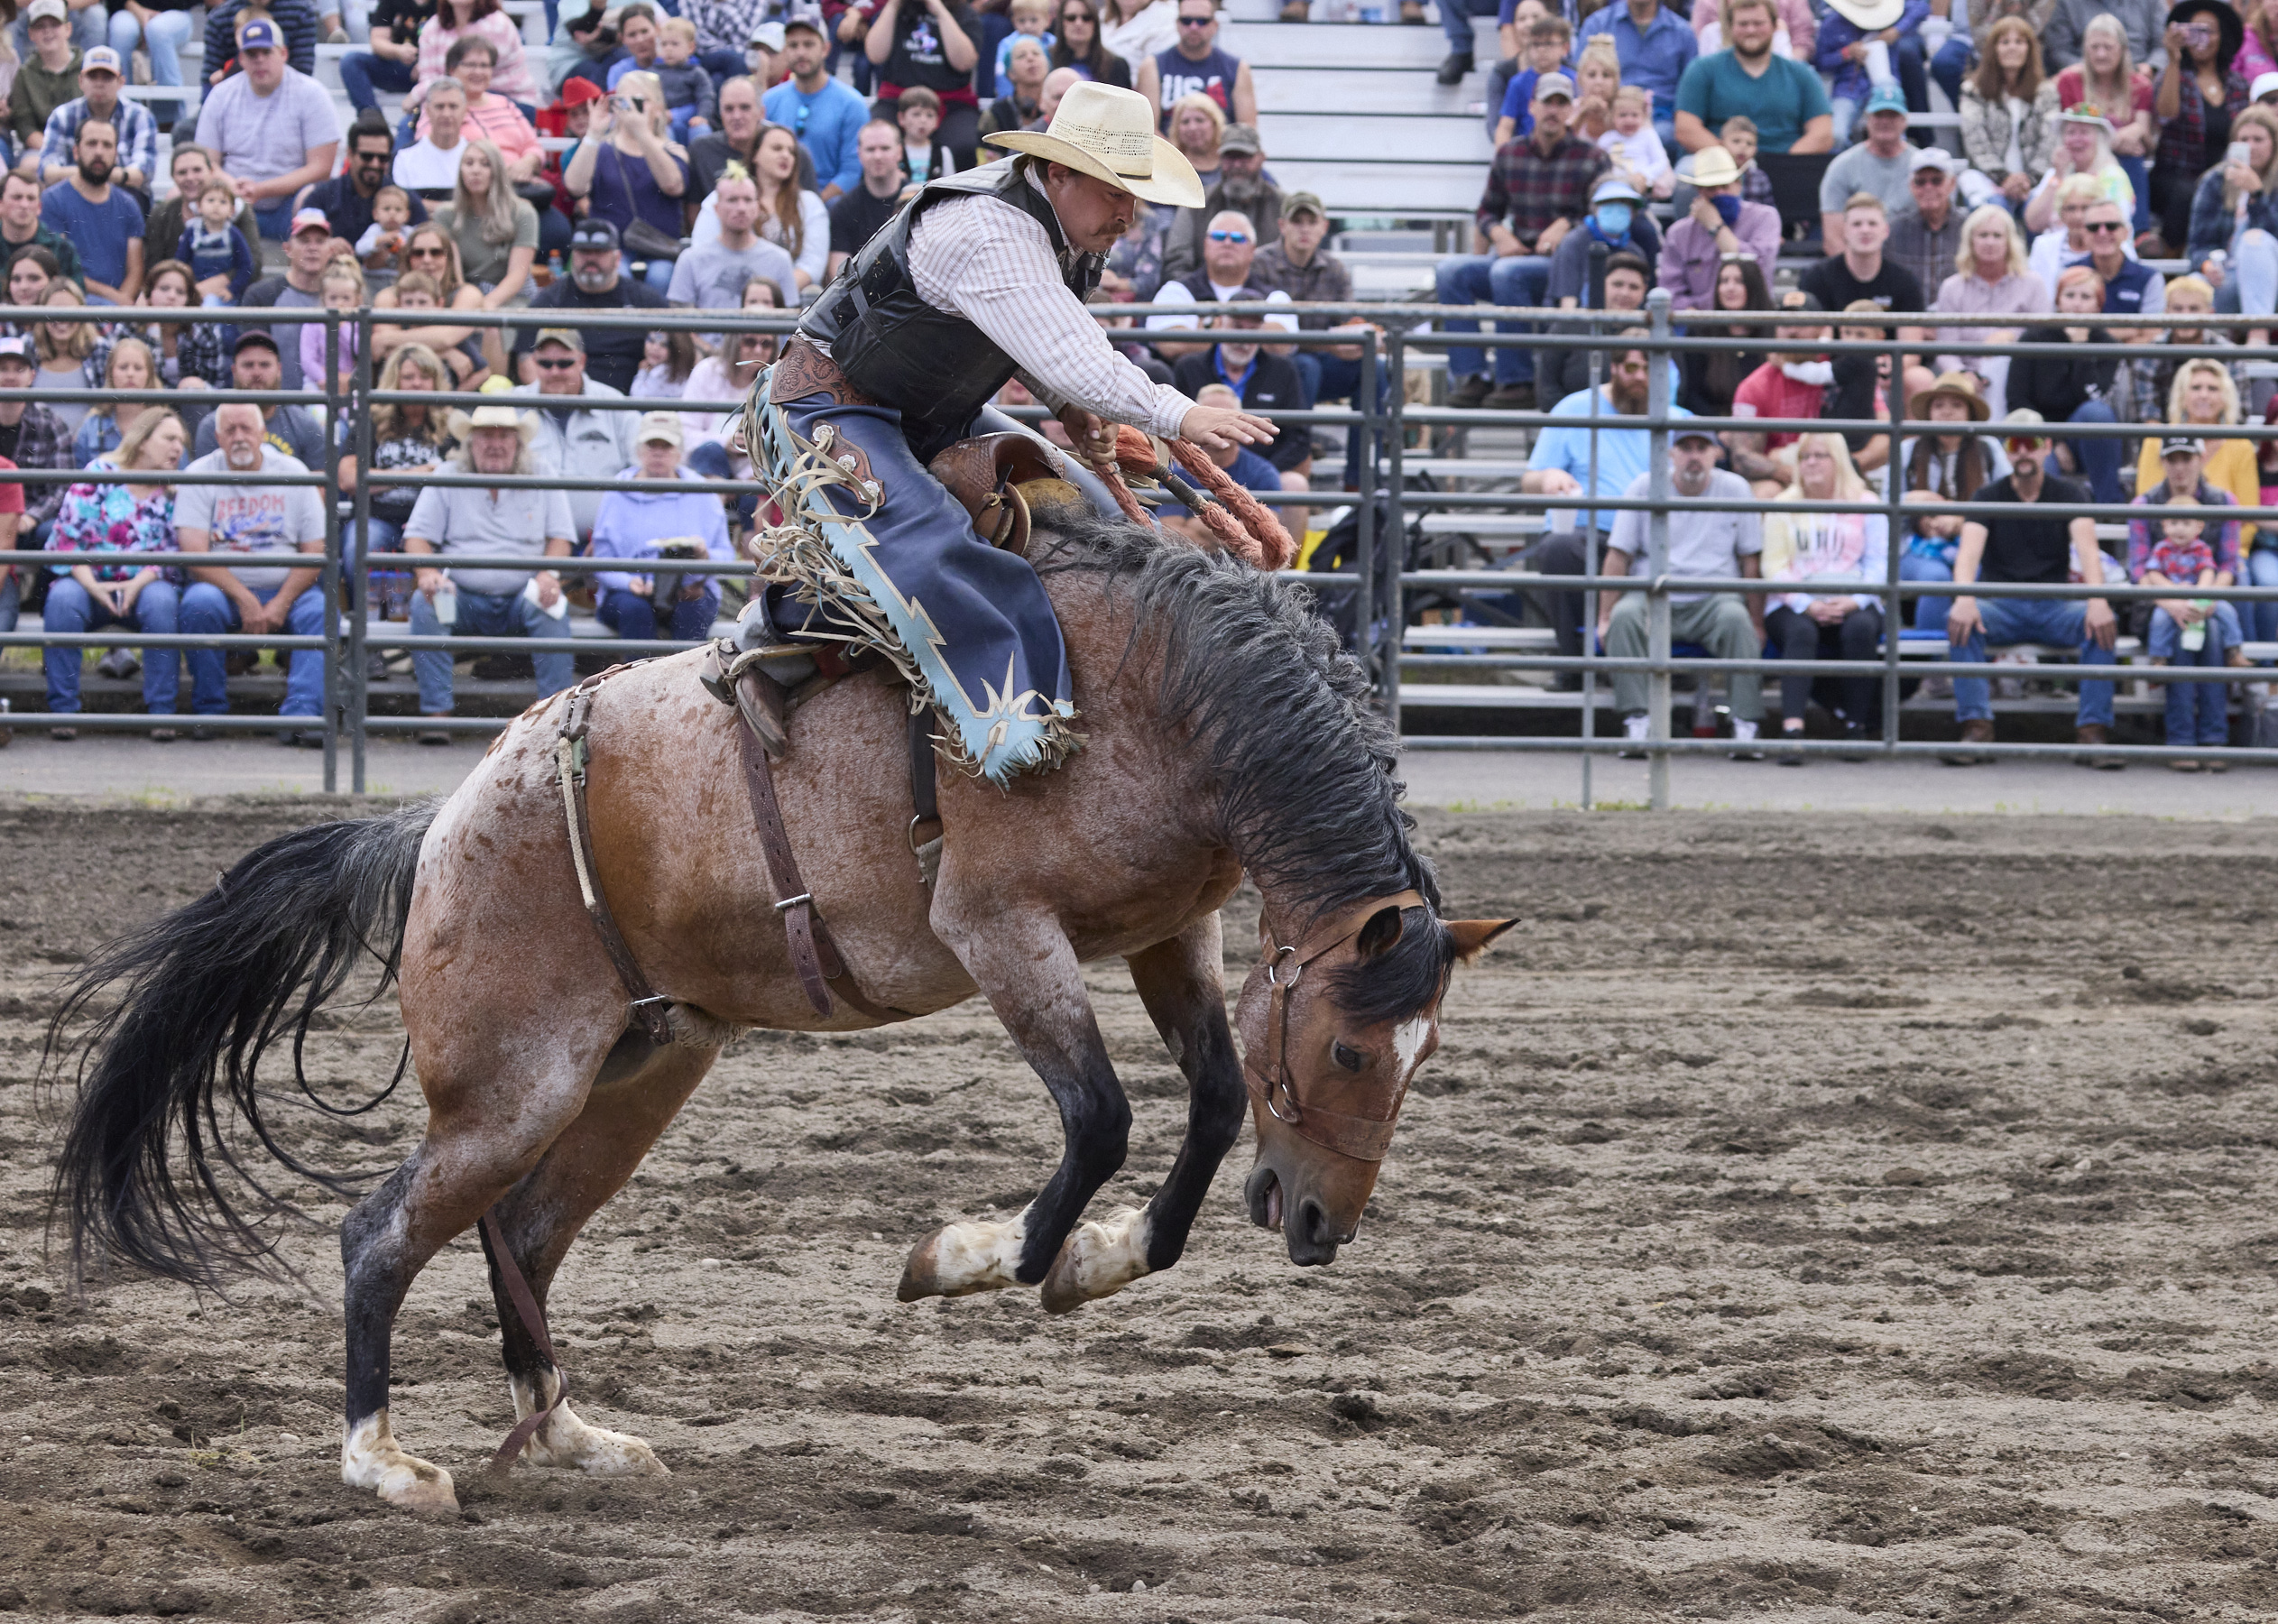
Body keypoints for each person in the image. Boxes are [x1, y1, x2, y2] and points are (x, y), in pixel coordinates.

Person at [761, 78, 1273, 780]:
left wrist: (1066, 407)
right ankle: (1009, 740)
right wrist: (1180, 413)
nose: (1129, 214)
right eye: (1116, 191)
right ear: (1058, 172)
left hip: (932, 408)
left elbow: (1026, 335)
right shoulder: (988, 229)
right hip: (831, 406)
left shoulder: (1056, 221)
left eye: (1134, 194)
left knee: (1091, 514)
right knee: (941, 552)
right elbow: (1071, 353)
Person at [1941, 406, 2123, 767]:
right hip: (2001, 603)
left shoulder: (2070, 494)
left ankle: (2092, 732)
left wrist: (2098, 599)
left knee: (2102, 624)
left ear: (2047, 446)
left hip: (2055, 603)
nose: (2022, 451)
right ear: (2006, 450)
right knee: (1960, 621)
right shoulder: (1987, 496)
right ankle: (1976, 728)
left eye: (2031, 442)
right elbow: (1968, 553)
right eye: (2014, 443)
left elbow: (2088, 551)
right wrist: (1964, 596)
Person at [1510, 336, 1691, 667]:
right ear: (1614, 367)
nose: (1640, 377)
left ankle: (1670, 664)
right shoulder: (1574, 408)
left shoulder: (1681, 422)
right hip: (1591, 532)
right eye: (1632, 367)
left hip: (1655, 539)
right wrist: (1549, 476)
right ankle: (1576, 662)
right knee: (1558, 549)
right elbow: (1529, 481)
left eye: (1650, 369)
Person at [402, 401, 575, 737]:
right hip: (461, 595)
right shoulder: (448, 475)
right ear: (470, 443)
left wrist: (547, 575)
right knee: (426, 604)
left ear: (518, 443)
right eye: (485, 436)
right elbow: (418, 537)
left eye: (504, 436)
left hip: (523, 594)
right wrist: (427, 574)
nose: (495, 444)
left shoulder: (542, 473)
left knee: (552, 607)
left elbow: (561, 539)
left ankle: (557, 724)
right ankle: (436, 717)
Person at [1593, 421, 1766, 754]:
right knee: (1624, 616)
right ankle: (1638, 721)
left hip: (1715, 598)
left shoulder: (1736, 489)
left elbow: (1750, 561)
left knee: (1737, 620)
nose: (1694, 457)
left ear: (1716, 453)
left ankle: (1746, 724)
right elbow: (1618, 554)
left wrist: (1756, 621)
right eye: (1686, 448)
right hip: (1654, 593)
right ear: (1671, 453)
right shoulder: (1643, 486)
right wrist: (1605, 615)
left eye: (1702, 448)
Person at [1436, 74, 1604, 412]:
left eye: (1561, 103)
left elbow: (1607, 216)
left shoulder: (1592, 157)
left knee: (1505, 273)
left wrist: (1568, 227)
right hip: (1516, 252)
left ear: (1572, 109)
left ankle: (1518, 381)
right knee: (1450, 271)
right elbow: (1486, 211)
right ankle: (1471, 375)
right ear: (1532, 107)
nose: (1553, 111)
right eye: (1547, 103)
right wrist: (1499, 233)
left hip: (1565, 267)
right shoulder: (1509, 154)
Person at [176, 401, 329, 744]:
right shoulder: (199, 474)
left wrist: (281, 602)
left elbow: (315, 552)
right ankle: (209, 712)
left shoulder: (294, 472)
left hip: (288, 589)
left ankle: (303, 717)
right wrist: (244, 597)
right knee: (197, 604)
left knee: (320, 612)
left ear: (263, 433)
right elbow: (194, 554)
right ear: (217, 436)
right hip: (223, 591)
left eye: (246, 428)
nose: (239, 437)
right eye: (230, 430)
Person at [40, 408, 188, 737]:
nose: (178, 447)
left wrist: (136, 584)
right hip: (88, 582)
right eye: (169, 438)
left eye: (181, 440)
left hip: (145, 585)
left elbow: (171, 553)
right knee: (62, 599)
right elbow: (66, 539)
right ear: (143, 440)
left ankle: (162, 713)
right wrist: (94, 586)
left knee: (163, 602)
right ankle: (63, 712)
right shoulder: (101, 472)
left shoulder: (175, 490)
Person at [1760, 431, 1888, 759]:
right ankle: (1793, 731)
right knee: (1800, 631)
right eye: (1805, 457)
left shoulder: (1866, 503)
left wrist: (1855, 600)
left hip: (1854, 595)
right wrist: (1808, 604)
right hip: (1793, 599)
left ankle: (1856, 728)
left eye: (1820, 455)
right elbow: (1773, 566)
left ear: (1839, 461)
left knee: (1860, 628)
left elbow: (1878, 564)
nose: (1812, 463)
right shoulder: (1782, 505)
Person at [2130, 448, 2245, 765]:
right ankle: (2185, 742)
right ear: (2163, 463)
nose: (2180, 467)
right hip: (2162, 605)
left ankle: (2211, 741)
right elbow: (2141, 572)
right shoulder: (2145, 504)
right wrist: (2173, 604)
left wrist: (2204, 600)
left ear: (2200, 459)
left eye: (2187, 458)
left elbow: (2228, 567)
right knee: (2184, 639)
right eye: (2172, 459)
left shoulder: (2223, 501)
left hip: (2208, 599)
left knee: (2211, 631)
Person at [588, 409, 734, 646]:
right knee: (635, 611)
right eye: (651, 445)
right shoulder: (617, 492)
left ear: (679, 452)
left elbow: (725, 556)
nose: (658, 453)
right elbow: (601, 560)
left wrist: (703, 558)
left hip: (690, 589)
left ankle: (688, 682)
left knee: (693, 612)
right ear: (638, 450)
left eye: (665, 446)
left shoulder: (702, 492)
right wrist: (628, 583)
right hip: (629, 592)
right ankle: (639, 681)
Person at [194, 16, 339, 240]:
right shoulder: (221, 95)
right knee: (182, 197)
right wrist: (233, 187)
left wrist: (262, 189)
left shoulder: (312, 94)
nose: (259, 60)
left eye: (266, 52)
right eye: (252, 54)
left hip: (290, 202)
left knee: (314, 197)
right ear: (241, 58)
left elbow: (321, 167)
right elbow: (205, 162)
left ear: (283, 54)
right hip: (231, 200)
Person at [1170, 295, 1310, 524]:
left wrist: (1260, 473)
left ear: (1262, 330)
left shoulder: (1283, 370)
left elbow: (1299, 438)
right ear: (1221, 323)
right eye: (1237, 326)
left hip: (1263, 469)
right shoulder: (1190, 366)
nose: (1243, 338)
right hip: (1198, 469)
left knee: (1295, 485)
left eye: (1252, 328)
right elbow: (1173, 425)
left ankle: (1284, 560)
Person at [341, 341, 454, 600]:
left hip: (435, 526)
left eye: (425, 377)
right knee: (359, 544)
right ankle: (364, 625)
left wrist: (382, 479)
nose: (416, 384)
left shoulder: (450, 425)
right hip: (381, 519)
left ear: (436, 382)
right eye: (408, 377)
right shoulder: (372, 420)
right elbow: (347, 478)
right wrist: (419, 474)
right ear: (395, 380)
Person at [1897, 370, 2008, 634]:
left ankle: (1979, 659)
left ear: (1970, 411)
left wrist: (1962, 522)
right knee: (1935, 578)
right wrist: (1914, 501)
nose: (1947, 412)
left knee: (1981, 574)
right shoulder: (1908, 450)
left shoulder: (1988, 449)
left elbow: (2008, 500)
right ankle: (1931, 665)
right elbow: (1882, 507)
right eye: (1939, 405)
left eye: (1956, 405)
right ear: (1929, 412)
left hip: (1980, 547)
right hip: (1916, 548)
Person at [2006, 263, 2126, 504]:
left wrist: (2080, 351)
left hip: (2089, 438)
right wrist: (2056, 441)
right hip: (2040, 432)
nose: (2077, 304)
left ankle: (2110, 512)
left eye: (2085, 297)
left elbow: (2096, 398)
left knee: (2096, 414)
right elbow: (2017, 400)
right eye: (2070, 295)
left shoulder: (2106, 344)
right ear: (2058, 301)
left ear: (2098, 305)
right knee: (2035, 449)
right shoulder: (2034, 338)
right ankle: (2044, 526)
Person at [564, 70, 691, 290]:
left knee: (660, 276)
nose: (630, 107)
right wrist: (594, 134)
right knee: (618, 274)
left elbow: (673, 185)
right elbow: (574, 186)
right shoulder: (601, 149)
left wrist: (642, 134)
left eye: (639, 101)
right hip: (608, 251)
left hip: (659, 250)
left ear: (658, 108)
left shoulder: (673, 150)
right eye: (623, 101)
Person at [512, 326, 637, 541]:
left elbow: (641, 471)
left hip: (604, 543)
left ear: (582, 361)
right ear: (533, 362)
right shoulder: (511, 405)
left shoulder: (614, 405)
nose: (554, 372)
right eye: (545, 363)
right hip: (528, 544)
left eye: (564, 363)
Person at [514, 219, 669, 391]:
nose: (590, 259)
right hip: (566, 402)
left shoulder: (645, 300)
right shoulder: (550, 300)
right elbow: (526, 360)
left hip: (632, 405)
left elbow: (680, 351)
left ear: (617, 258)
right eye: (583, 252)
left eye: (599, 252)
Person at [1930, 202, 2048, 420]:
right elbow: (1945, 350)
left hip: (2020, 377)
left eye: (1997, 235)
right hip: (1966, 378)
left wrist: (2011, 337)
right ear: (1970, 241)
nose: (1990, 242)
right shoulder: (1952, 287)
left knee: (1999, 363)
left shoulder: (2033, 284)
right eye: (1983, 235)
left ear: (2009, 241)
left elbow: (2044, 338)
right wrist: (1964, 376)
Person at [1673, 0, 1833, 154]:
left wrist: (1786, 165)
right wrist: (1731, 157)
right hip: (1717, 164)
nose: (1751, 30)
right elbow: (1687, 129)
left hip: (1785, 163)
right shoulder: (1702, 69)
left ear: (1775, 26)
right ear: (1730, 27)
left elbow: (1822, 134)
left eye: (1758, 23)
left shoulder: (1801, 74)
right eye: (1743, 24)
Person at [2151, 0, 2248, 253]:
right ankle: (2171, 262)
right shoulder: (2174, 76)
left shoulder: (2237, 84)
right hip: (2174, 176)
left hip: (2223, 175)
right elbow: (2165, 114)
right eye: (2194, 30)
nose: (2201, 38)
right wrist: (2173, 58)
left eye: (2209, 30)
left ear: (2221, 36)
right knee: (2187, 192)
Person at [1725, 290, 1832, 498]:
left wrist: (1841, 468)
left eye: (1801, 323)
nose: (1792, 331)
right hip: (1783, 479)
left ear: (1820, 329)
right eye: (1784, 323)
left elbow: (1882, 436)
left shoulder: (1839, 369)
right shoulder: (1755, 385)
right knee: (1766, 493)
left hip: (1837, 472)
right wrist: (1791, 473)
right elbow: (1741, 456)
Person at [2135, 355, 2259, 529]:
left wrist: (2225, 551)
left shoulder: (2241, 446)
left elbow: (2248, 517)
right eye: (2195, 388)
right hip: (2166, 550)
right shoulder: (2157, 440)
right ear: (2182, 396)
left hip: (2226, 551)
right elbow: (2147, 507)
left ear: (2225, 398)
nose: (2204, 395)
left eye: (2213, 389)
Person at [2187, 101, 2278, 333]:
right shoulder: (2214, 181)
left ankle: (2258, 335)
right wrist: (2207, 265)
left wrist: (2256, 195)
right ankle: (2203, 355)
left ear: (2274, 143)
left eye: (2258, 139)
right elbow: (2197, 245)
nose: (2250, 146)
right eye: (2244, 139)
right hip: (2226, 278)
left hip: (2271, 284)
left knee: (2254, 241)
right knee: (2195, 287)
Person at [2060, 13, 2161, 219]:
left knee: (2133, 156)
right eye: (2094, 47)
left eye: (2108, 47)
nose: (2101, 54)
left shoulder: (2140, 84)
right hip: (2081, 157)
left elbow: (2141, 130)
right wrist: (2115, 139)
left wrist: (2118, 137)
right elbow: (2070, 131)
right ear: (2085, 50)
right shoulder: (2070, 80)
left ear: (2123, 50)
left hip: (2125, 160)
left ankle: (2138, 232)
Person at [1159, 120, 1280, 288]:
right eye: (1230, 157)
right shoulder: (1197, 202)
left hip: (1266, 296)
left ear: (1261, 158)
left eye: (1244, 157)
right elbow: (1177, 261)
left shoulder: (1281, 206)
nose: (1237, 165)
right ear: (1220, 158)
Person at [865, 0, 983, 167]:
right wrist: (892, 5)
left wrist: (939, 11)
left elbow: (964, 62)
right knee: (877, 138)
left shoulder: (964, 12)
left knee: (963, 146)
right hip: (897, 101)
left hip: (952, 103)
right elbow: (875, 55)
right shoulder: (895, 9)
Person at [764, 9, 866, 203]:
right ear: (785, 51)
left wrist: (813, 206)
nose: (801, 52)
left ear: (826, 49)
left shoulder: (852, 104)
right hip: (777, 198)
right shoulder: (769, 101)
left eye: (809, 44)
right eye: (793, 45)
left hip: (828, 203)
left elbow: (851, 171)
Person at [1656, 144, 1776, 309]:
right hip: (1699, 322)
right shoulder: (1679, 233)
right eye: (1711, 188)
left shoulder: (1764, 217)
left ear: (1738, 185)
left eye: (1724, 185)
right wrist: (1696, 320)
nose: (1719, 193)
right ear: (1699, 191)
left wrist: (1716, 227)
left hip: (1752, 318)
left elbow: (1758, 270)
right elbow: (1670, 290)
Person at [414, 37, 543, 188]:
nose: (478, 72)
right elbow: (430, 152)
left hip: (520, 184)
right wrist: (499, 173)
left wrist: (526, 164)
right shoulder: (440, 108)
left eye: (484, 66)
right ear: (452, 70)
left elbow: (533, 145)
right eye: (471, 65)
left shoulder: (505, 103)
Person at [373, 227, 494, 385]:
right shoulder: (388, 296)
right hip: (400, 395)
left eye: (435, 252)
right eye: (418, 253)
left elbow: (446, 337)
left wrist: (389, 338)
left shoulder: (468, 294)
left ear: (448, 258)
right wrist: (447, 353)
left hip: (455, 396)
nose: (427, 260)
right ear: (408, 258)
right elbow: (384, 352)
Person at [669, 164, 798, 313]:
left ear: (757, 208)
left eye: (748, 200)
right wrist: (700, 338)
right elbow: (680, 322)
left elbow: (789, 321)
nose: (741, 208)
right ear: (716, 209)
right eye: (732, 200)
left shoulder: (780, 260)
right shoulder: (691, 260)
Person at [236, 208, 339, 392]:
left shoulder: (345, 297)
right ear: (288, 249)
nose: (312, 248)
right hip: (279, 404)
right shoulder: (261, 295)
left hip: (333, 403)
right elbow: (254, 361)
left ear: (331, 251)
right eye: (304, 240)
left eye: (320, 241)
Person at [1961, 17, 2061, 207]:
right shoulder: (1973, 91)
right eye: (2005, 42)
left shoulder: (2046, 92)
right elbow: (1976, 143)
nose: (2012, 48)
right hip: (1989, 179)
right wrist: (2003, 179)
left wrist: (2028, 180)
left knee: (2042, 204)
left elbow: (2049, 140)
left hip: (2033, 181)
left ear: (2030, 49)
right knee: (1991, 202)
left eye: (2019, 42)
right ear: (1993, 49)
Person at [298, 114, 429, 256]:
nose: (375, 164)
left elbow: (428, 243)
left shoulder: (406, 199)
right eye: (367, 156)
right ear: (350, 154)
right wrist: (325, 243)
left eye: (382, 158)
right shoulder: (322, 196)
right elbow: (300, 241)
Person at [39, 118, 139, 303]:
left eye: (107, 145)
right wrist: (113, 298)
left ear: (116, 155)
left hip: (119, 306)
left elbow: (135, 269)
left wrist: (122, 302)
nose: (99, 152)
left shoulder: (128, 204)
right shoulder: (52, 200)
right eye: (92, 143)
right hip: (72, 301)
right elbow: (59, 267)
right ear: (76, 152)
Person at [429, 139, 537, 306]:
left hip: (511, 297)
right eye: (469, 163)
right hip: (465, 295)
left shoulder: (523, 213)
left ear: (498, 171)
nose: (475, 171)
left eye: (485, 164)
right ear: (460, 171)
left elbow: (517, 276)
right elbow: (455, 277)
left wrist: (484, 309)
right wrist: (470, 305)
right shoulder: (445, 215)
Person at [38, 45, 154, 198]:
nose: (99, 83)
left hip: (124, 197)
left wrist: (83, 173)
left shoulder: (140, 116)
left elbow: (140, 175)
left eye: (107, 77)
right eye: (93, 76)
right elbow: (47, 172)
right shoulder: (62, 116)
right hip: (74, 195)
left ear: (121, 82)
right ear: (80, 81)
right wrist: (110, 174)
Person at [1577, 0, 1698, 144]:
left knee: (1656, 137)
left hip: (1661, 119)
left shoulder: (1682, 32)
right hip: (1609, 114)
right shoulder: (1598, 24)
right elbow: (1580, 74)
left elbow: (1692, 90)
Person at [740, 122, 829, 296]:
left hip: (790, 301)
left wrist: (773, 297)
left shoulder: (810, 204)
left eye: (791, 152)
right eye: (777, 148)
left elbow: (813, 264)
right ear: (755, 155)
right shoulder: (728, 197)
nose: (786, 155)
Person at [1678, 254, 1772, 418]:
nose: (1729, 288)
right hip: (1713, 429)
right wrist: (1719, 428)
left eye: (1739, 281)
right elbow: (1691, 395)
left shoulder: (1773, 332)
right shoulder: (1700, 332)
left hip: (1766, 425)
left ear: (1754, 287)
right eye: (1724, 281)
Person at [1803, 192, 1925, 316]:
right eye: (1857, 224)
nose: (1865, 230)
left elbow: (1911, 335)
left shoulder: (1905, 282)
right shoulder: (1818, 278)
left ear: (1886, 231)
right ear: (1844, 230)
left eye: (1872, 224)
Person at [2024, 106, 2141, 235]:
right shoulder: (2055, 174)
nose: (2076, 139)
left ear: (2099, 139)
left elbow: (2115, 228)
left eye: (2084, 132)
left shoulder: (2113, 176)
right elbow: (2033, 223)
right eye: (2071, 132)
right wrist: (2058, 176)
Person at [1139, 0, 1254, 127]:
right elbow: (1148, 128)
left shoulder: (1237, 68)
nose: (1194, 27)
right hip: (1166, 145)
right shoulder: (1152, 66)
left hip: (1222, 145)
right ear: (1177, 24)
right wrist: (1171, 148)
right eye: (1186, 21)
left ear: (1215, 25)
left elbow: (1247, 129)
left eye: (1202, 21)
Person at [406, 0, 537, 113]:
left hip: (510, 100)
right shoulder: (433, 27)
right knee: (407, 126)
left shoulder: (498, 25)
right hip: (452, 99)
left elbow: (476, 80)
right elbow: (428, 77)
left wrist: (416, 95)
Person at [5, 2, 80, 178]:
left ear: (68, 29)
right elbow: (25, 126)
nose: (48, 31)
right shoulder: (24, 75)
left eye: (55, 24)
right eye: (40, 26)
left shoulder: (88, 70)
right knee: (29, 165)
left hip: (85, 147)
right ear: (31, 34)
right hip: (41, 149)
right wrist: (55, 148)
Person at [1887, 149, 1969, 303]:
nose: (1928, 187)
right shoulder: (1894, 230)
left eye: (1937, 181)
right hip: (1908, 319)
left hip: (1958, 318)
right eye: (1921, 182)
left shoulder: (1970, 228)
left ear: (1952, 184)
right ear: (1911, 186)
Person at [829, 118, 908, 276]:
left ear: (899, 152)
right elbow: (839, 277)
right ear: (859, 154)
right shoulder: (843, 209)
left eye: (885, 148)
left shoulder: (917, 200)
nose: (878, 156)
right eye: (870, 149)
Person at [106, 0, 198, 127]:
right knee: (122, 32)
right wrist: (135, 8)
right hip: (128, 9)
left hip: (176, 12)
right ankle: (123, 111)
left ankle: (168, 117)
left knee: (158, 30)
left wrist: (148, 22)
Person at [2083, 193, 2167, 329]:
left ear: (2126, 232)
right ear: (2084, 234)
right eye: (2094, 227)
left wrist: (2092, 334)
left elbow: (2152, 335)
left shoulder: (2150, 278)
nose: (2102, 233)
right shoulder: (2070, 274)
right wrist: (2132, 332)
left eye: (2111, 226)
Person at [338, 0, 438, 115]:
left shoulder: (445, 4)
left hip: (434, 74)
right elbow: (377, 40)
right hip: (397, 67)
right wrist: (398, 51)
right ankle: (371, 117)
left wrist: (427, 65)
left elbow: (455, 41)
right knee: (351, 62)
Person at [71, 334, 157, 465]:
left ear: (149, 375)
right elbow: (79, 481)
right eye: (123, 367)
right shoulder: (91, 426)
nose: (130, 374)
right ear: (110, 373)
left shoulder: (164, 424)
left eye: (138, 368)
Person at [2046, 0, 2169, 71]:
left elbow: (2164, 44)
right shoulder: (2067, 3)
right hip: (2086, 77)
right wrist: (2092, 71)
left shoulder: (2152, 2)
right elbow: (2059, 51)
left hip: (2139, 73)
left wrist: (2151, 66)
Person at [1052, 0, 1134, 89]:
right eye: (1071, 18)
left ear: (1095, 23)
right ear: (1061, 22)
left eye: (1086, 18)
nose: (1079, 23)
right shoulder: (1048, 59)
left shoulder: (1117, 66)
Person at [982, 35, 1050, 136]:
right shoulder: (997, 113)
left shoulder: (1058, 108)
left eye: (1036, 53)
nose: (1030, 58)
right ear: (1010, 73)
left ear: (1048, 64)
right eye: (1021, 56)